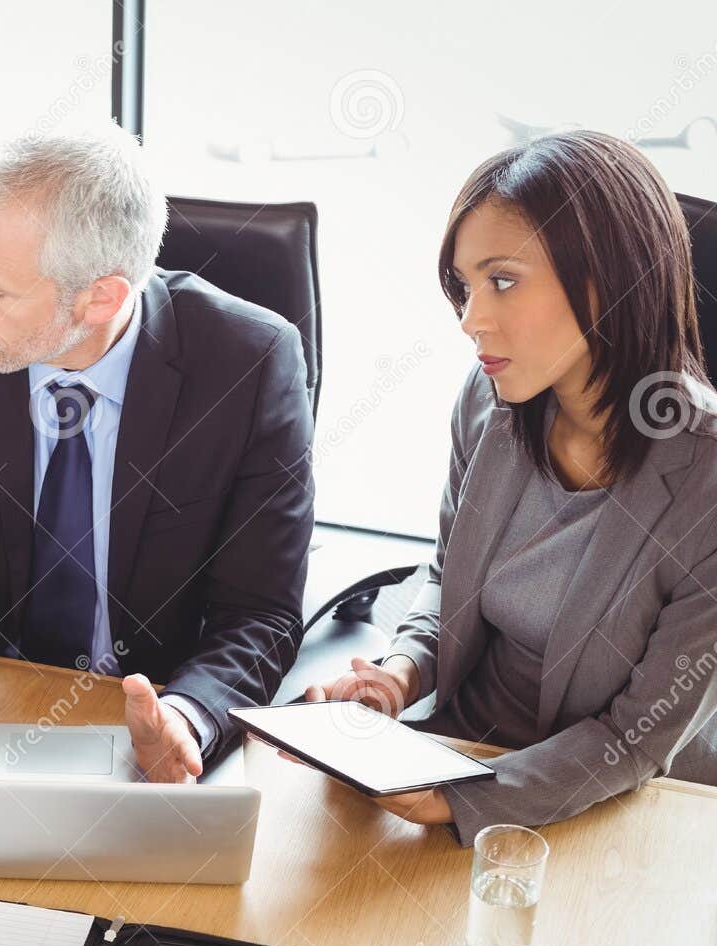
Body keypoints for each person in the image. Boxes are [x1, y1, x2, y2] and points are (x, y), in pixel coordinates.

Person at [0, 124, 315, 779]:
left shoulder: (251, 362)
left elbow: (258, 612)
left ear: (102, 297)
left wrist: (186, 718)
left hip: (145, 719)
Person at [305, 130, 717, 844]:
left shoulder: (703, 479)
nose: (470, 320)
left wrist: (465, 798)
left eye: (501, 280)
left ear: (605, 280)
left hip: (611, 803)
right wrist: (398, 675)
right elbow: (446, 575)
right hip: (457, 749)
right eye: (465, 288)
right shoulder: (489, 398)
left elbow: (636, 738)